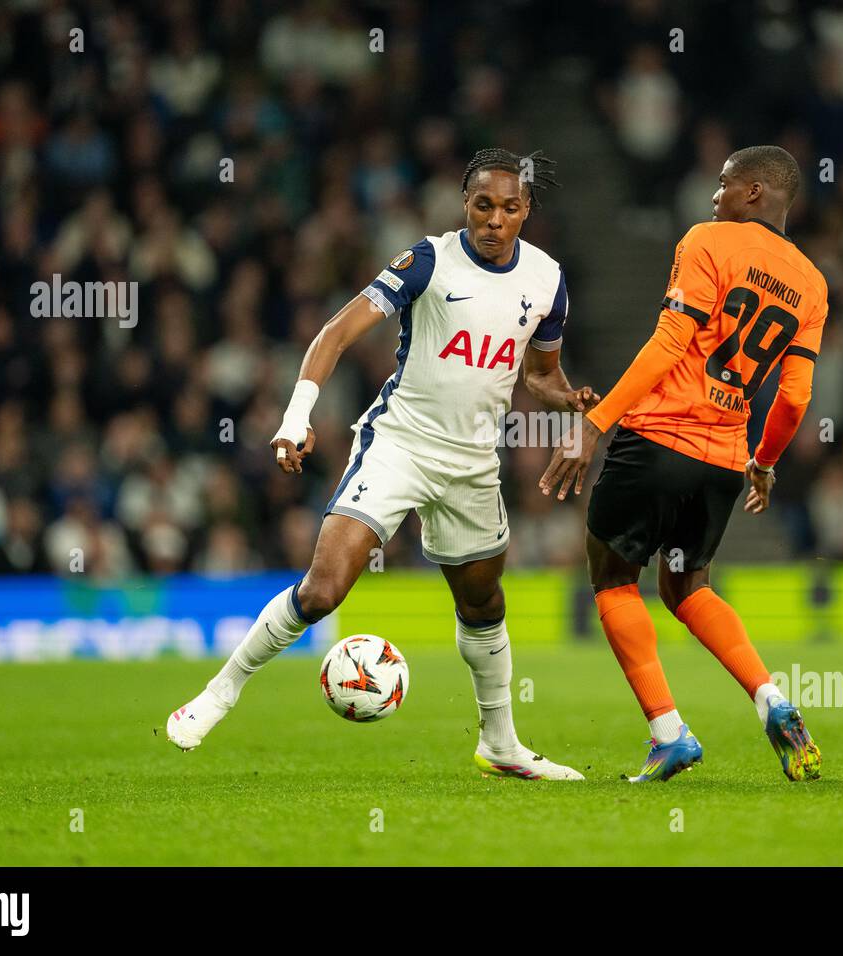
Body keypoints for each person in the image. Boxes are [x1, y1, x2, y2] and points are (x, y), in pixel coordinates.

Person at [169, 149, 597, 780]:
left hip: (475, 462)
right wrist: (296, 416)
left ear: (527, 210)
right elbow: (334, 333)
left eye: (510, 208)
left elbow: (540, 373)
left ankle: (500, 744)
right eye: (484, 205)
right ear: (464, 204)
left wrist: (571, 400)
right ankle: (221, 692)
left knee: (482, 605)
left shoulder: (547, 279)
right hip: (400, 444)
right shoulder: (428, 260)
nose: (495, 220)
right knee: (322, 590)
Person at [540, 146, 826, 783]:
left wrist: (593, 423)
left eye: (724, 184)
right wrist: (764, 462)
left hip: (659, 441)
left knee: (613, 579)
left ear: (754, 192)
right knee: (687, 587)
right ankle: (771, 698)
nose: (713, 195)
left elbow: (671, 342)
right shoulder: (811, 282)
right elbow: (796, 394)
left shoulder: (708, 241)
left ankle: (669, 733)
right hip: (723, 459)